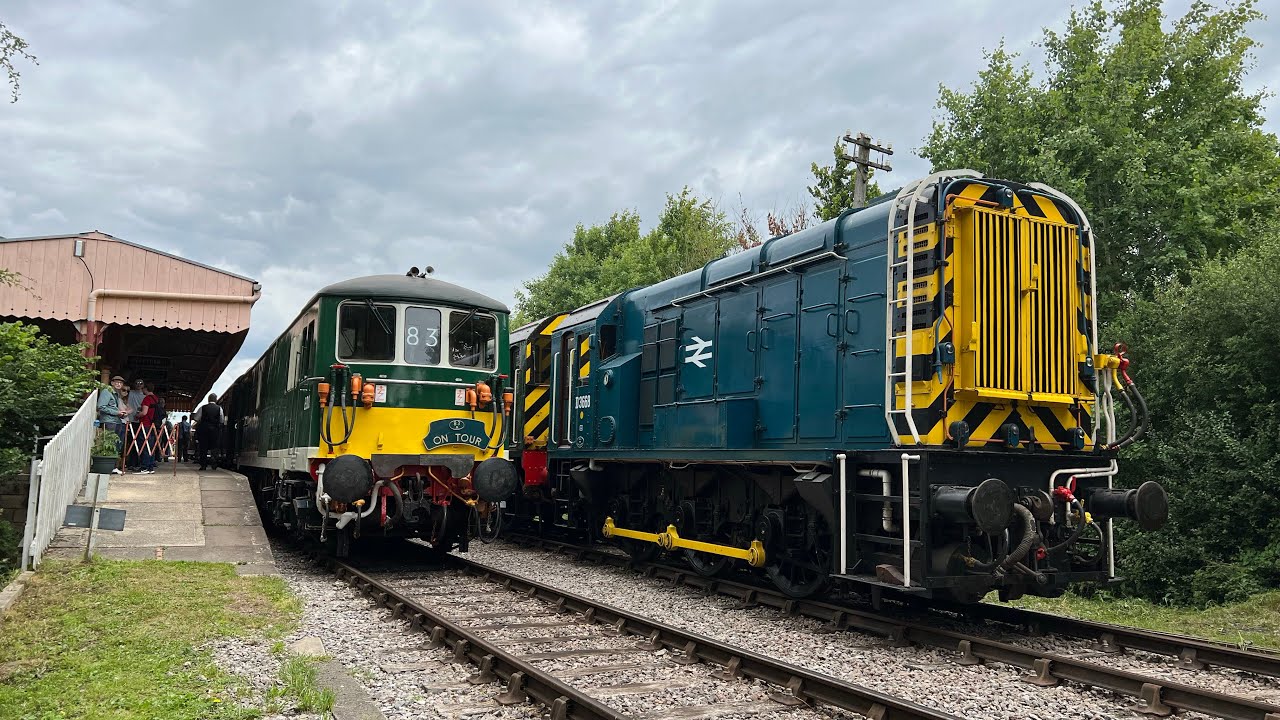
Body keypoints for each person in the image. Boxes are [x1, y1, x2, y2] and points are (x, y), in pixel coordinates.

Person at [96, 375, 130, 473]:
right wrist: (117, 412)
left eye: (121, 383)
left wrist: (120, 414)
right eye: (116, 382)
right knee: (109, 443)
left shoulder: (116, 394)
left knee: (116, 444)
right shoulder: (107, 392)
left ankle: (113, 467)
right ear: (112, 383)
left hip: (116, 421)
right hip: (109, 421)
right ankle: (109, 467)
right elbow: (101, 406)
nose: (119, 384)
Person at [195, 393, 223, 471]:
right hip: (214, 430)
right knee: (214, 447)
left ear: (208, 400)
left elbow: (197, 418)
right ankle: (214, 464)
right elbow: (222, 420)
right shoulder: (219, 408)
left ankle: (203, 465)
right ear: (216, 400)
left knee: (203, 448)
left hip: (204, 430)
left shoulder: (203, 408)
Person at [136, 383, 159, 475]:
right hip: (153, 425)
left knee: (144, 445)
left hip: (145, 424)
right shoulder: (156, 399)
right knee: (151, 446)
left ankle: (144, 467)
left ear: (145, 389)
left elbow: (144, 412)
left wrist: (137, 415)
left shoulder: (146, 399)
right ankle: (150, 466)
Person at [125, 378, 147, 472]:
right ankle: (131, 463)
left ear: (143, 385)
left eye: (140, 383)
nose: (138, 385)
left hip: (139, 420)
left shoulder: (145, 396)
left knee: (139, 443)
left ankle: (137, 463)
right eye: (137, 383)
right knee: (131, 442)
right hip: (131, 420)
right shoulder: (131, 392)